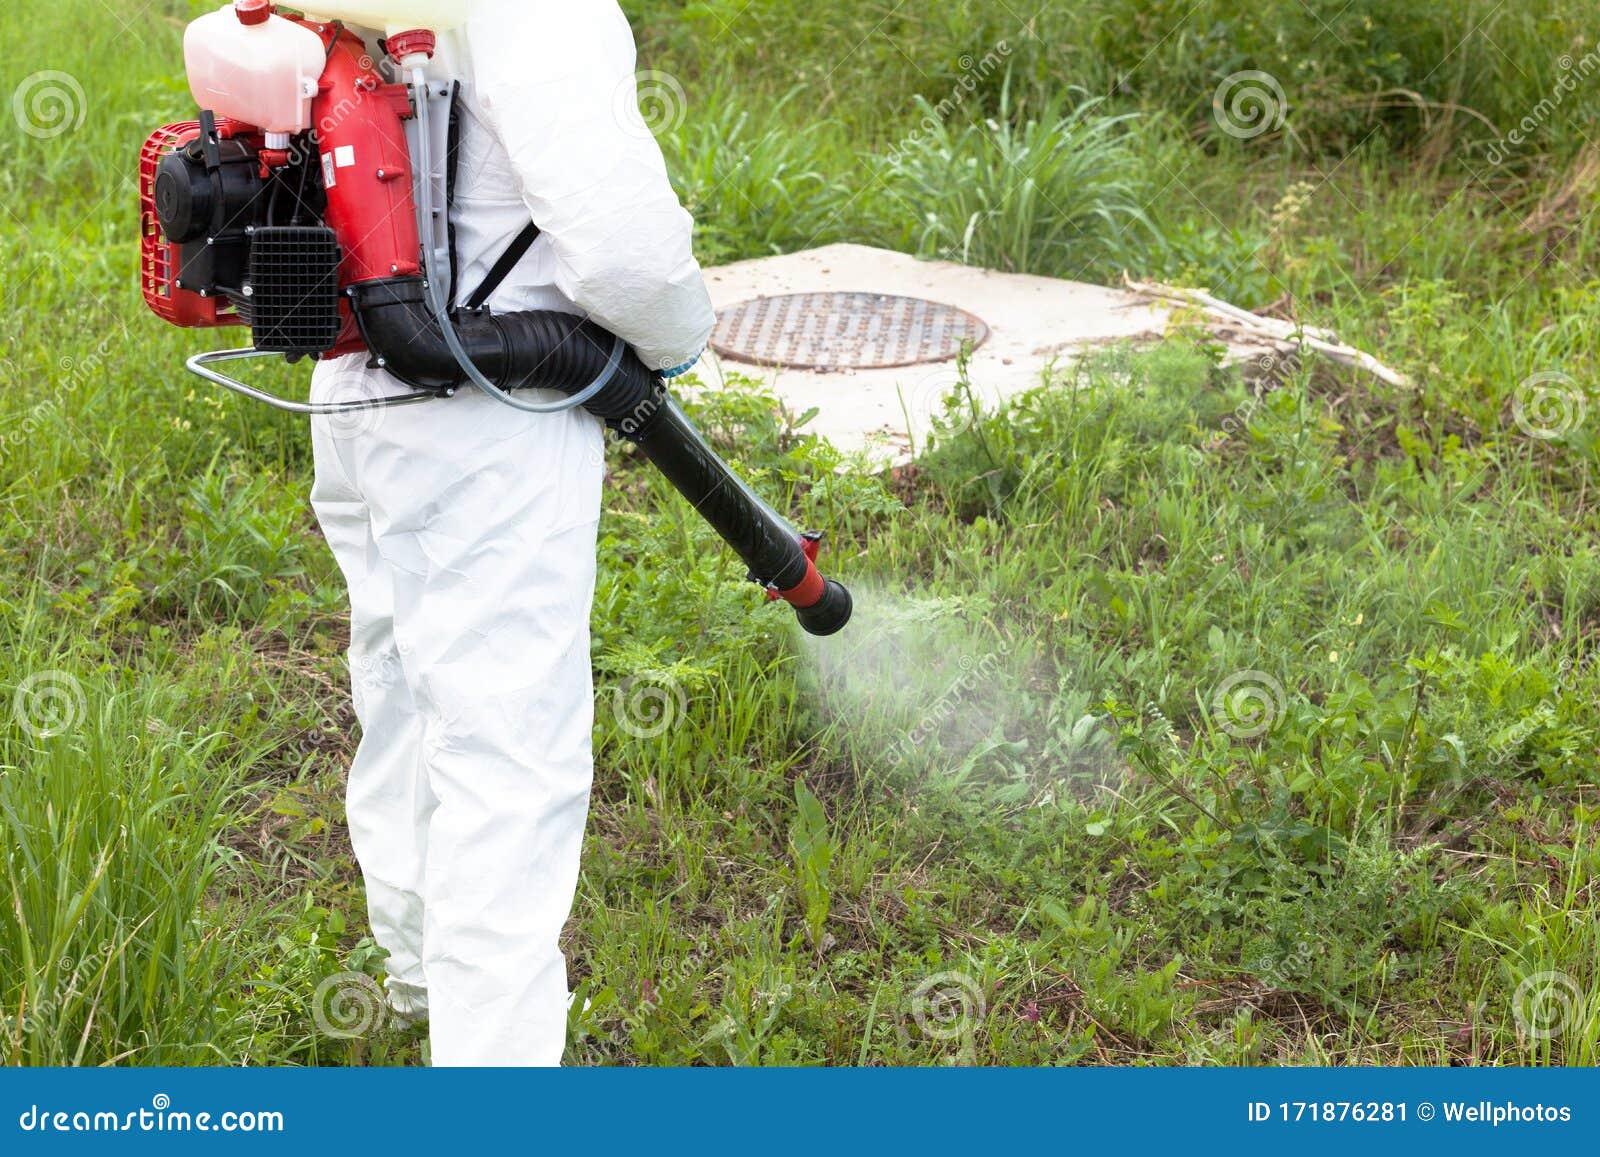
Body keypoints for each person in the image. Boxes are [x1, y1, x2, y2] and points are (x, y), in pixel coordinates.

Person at [308, 0, 714, 1066]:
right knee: (508, 750)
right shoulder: (543, 11)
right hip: (485, 415)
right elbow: (624, 256)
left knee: (400, 683)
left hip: (353, 391)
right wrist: (679, 336)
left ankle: (409, 970)